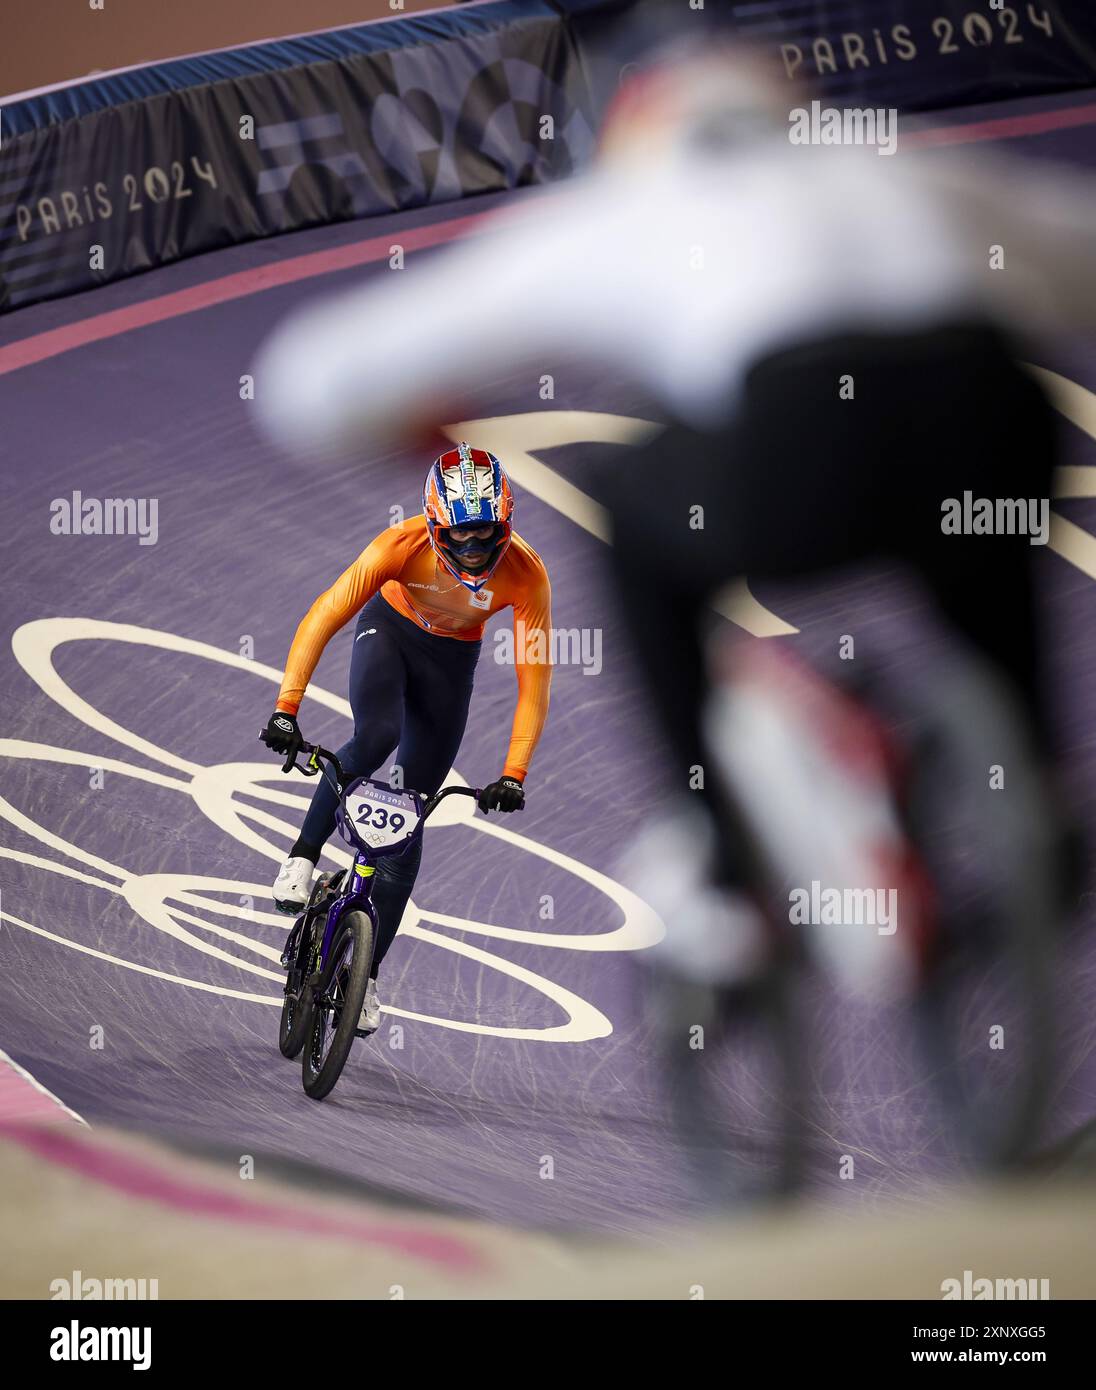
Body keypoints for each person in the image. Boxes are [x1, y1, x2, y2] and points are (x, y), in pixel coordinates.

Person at [260, 442, 551, 1030]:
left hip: (452, 666)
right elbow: (327, 612)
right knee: (378, 735)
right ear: (435, 526)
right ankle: (301, 858)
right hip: (390, 634)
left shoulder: (528, 575)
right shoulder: (399, 546)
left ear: (507, 526)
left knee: (410, 816)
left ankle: (362, 979)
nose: (473, 549)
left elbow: (534, 683)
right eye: (460, 537)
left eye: (486, 535)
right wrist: (286, 707)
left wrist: (513, 774)